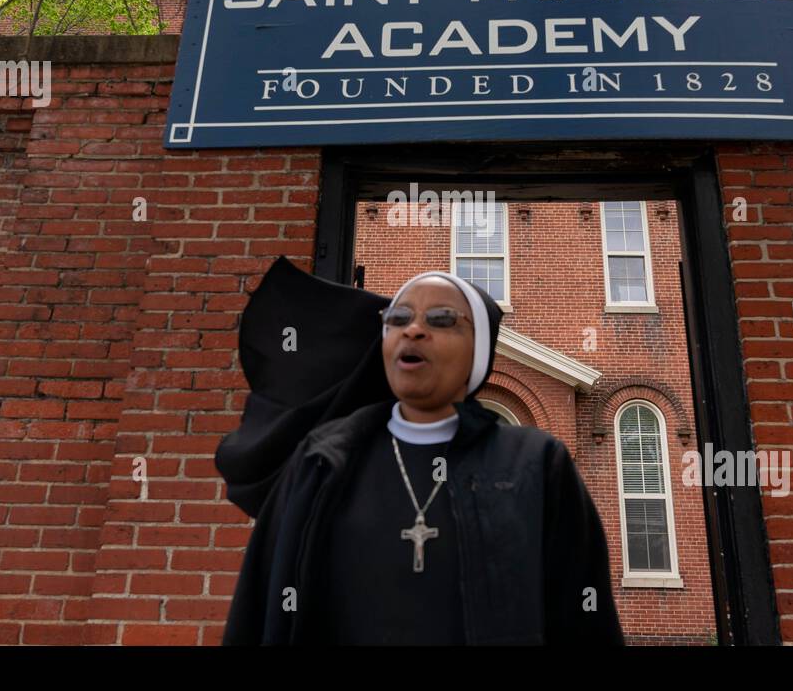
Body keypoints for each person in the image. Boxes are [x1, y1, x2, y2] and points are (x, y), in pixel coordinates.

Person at [215, 255, 623, 645]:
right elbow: (259, 610)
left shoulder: (536, 464)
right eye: (398, 318)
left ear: (478, 354)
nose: (413, 330)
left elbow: (584, 621)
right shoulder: (321, 460)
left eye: (441, 319)